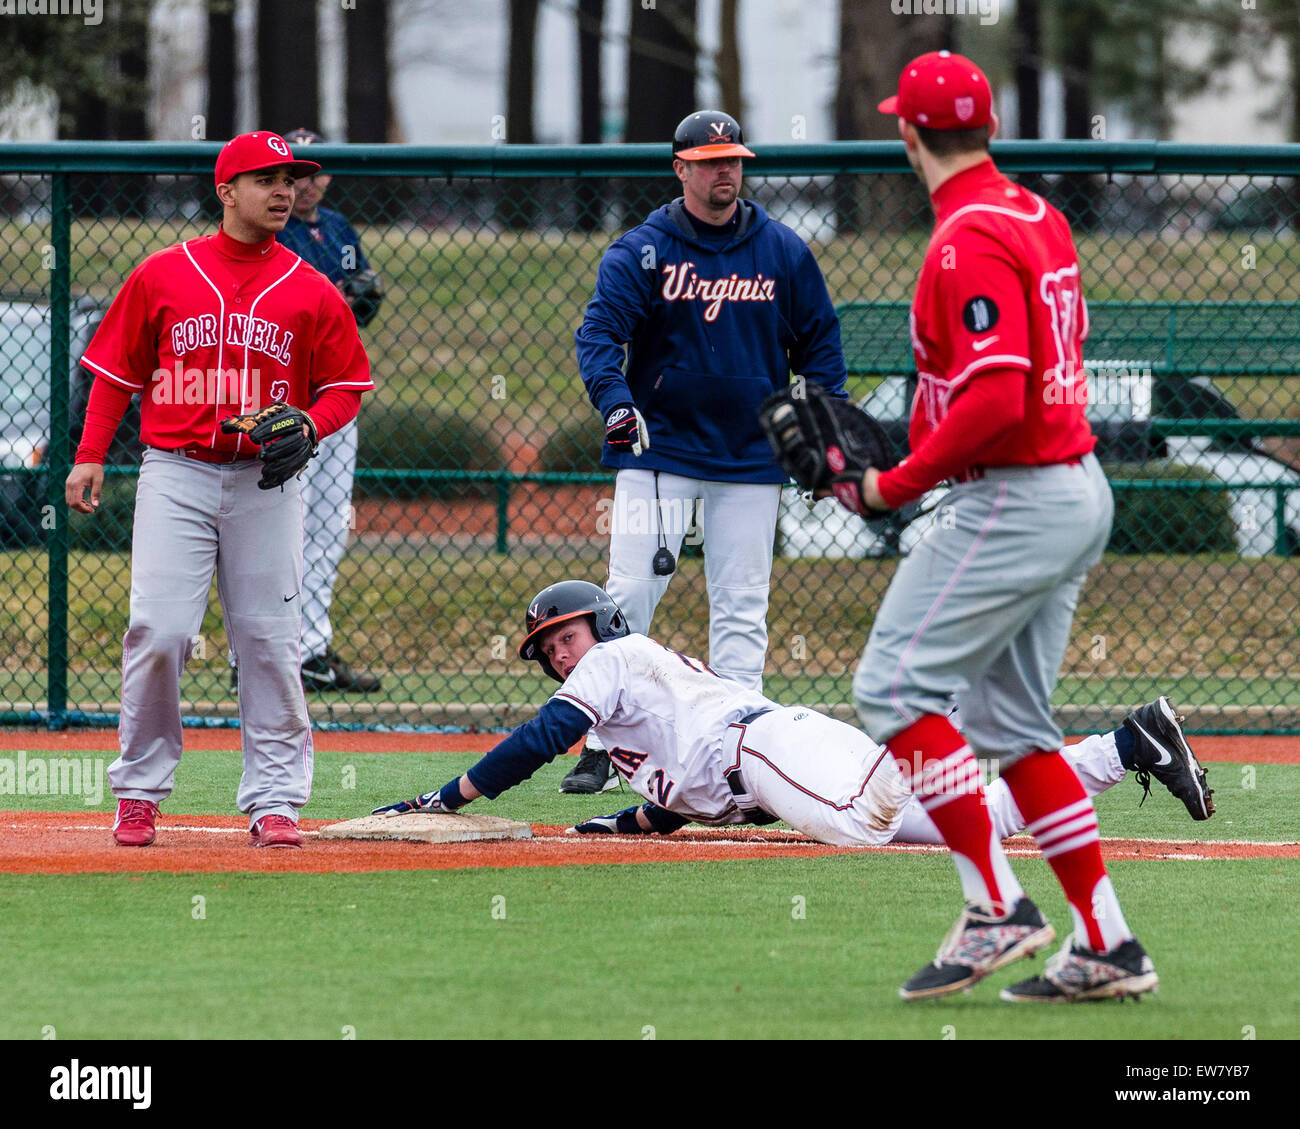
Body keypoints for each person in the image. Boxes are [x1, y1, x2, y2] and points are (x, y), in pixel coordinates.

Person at [830, 52, 1198, 1001]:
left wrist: (891, 484)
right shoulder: (1037, 213)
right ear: (987, 128)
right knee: (1015, 729)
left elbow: (996, 393)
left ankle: (997, 906)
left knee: (892, 687)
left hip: (1019, 491)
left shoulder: (964, 239)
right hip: (1070, 486)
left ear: (909, 134)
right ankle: (1109, 944)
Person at [371, 581, 1214, 862]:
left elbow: (541, 740)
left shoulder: (614, 662)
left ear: (601, 626)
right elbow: (677, 794)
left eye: (564, 633)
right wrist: (627, 820)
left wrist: (450, 795)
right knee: (978, 824)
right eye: (545, 647)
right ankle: (1128, 742)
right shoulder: (633, 702)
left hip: (765, 751)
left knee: (855, 830)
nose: (557, 652)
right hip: (779, 750)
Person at [65, 131, 375, 849]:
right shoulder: (163, 274)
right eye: (265, 178)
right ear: (225, 190)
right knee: (160, 631)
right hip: (175, 471)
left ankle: (275, 800)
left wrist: (311, 420)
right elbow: (115, 373)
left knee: (269, 641)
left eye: (289, 179)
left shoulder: (309, 285)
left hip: (267, 482)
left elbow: (347, 385)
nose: (283, 190)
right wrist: (89, 455)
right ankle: (139, 790)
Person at [568, 109, 847, 793]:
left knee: (743, 602)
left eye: (735, 159)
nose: (727, 170)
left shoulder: (782, 249)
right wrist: (617, 403)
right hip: (659, 451)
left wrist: (822, 428)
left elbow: (820, 345)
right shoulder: (643, 249)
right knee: (629, 595)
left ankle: (740, 745)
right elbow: (598, 335)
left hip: (753, 455)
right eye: (712, 159)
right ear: (681, 168)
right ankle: (606, 740)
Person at [234, 127, 383, 694]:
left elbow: (353, 305)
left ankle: (312, 647)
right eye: (290, 175)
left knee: (326, 527)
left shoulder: (339, 228)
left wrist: (362, 295)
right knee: (277, 527)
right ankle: (252, 652)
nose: (305, 184)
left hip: (334, 393)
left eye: (311, 173)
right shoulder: (270, 231)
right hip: (283, 400)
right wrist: (343, 295)